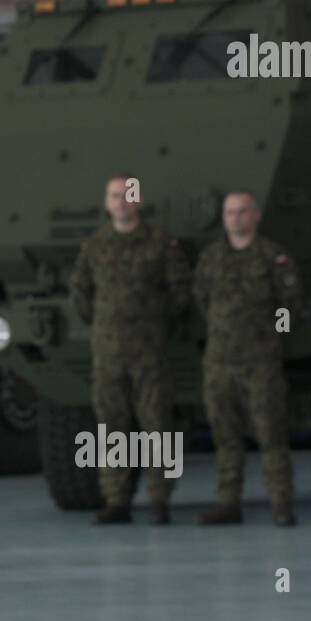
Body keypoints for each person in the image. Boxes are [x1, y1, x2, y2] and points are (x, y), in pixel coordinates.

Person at [70, 175, 192, 525]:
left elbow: (181, 291)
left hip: (150, 353)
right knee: (112, 429)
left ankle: (160, 499)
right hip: (108, 354)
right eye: (114, 196)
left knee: (157, 426)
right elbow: (81, 295)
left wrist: (154, 322)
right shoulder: (94, 246)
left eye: (127, 195)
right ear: (106, 203)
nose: (121, 201)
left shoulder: (160, 244)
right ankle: (117, 500)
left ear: (138, 201)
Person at [194, 192, 302, 527]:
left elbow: (290, 303)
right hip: (220, 363)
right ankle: (228, 502)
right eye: (230, 212)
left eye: (242, 212)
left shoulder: (272, 256)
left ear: (255, 216)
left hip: (260, 362)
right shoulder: (212, 258)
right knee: (225, 436)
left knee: (270, 433)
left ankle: (281, 504)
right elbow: (202, 300)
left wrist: (273, 336)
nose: (236, 218)